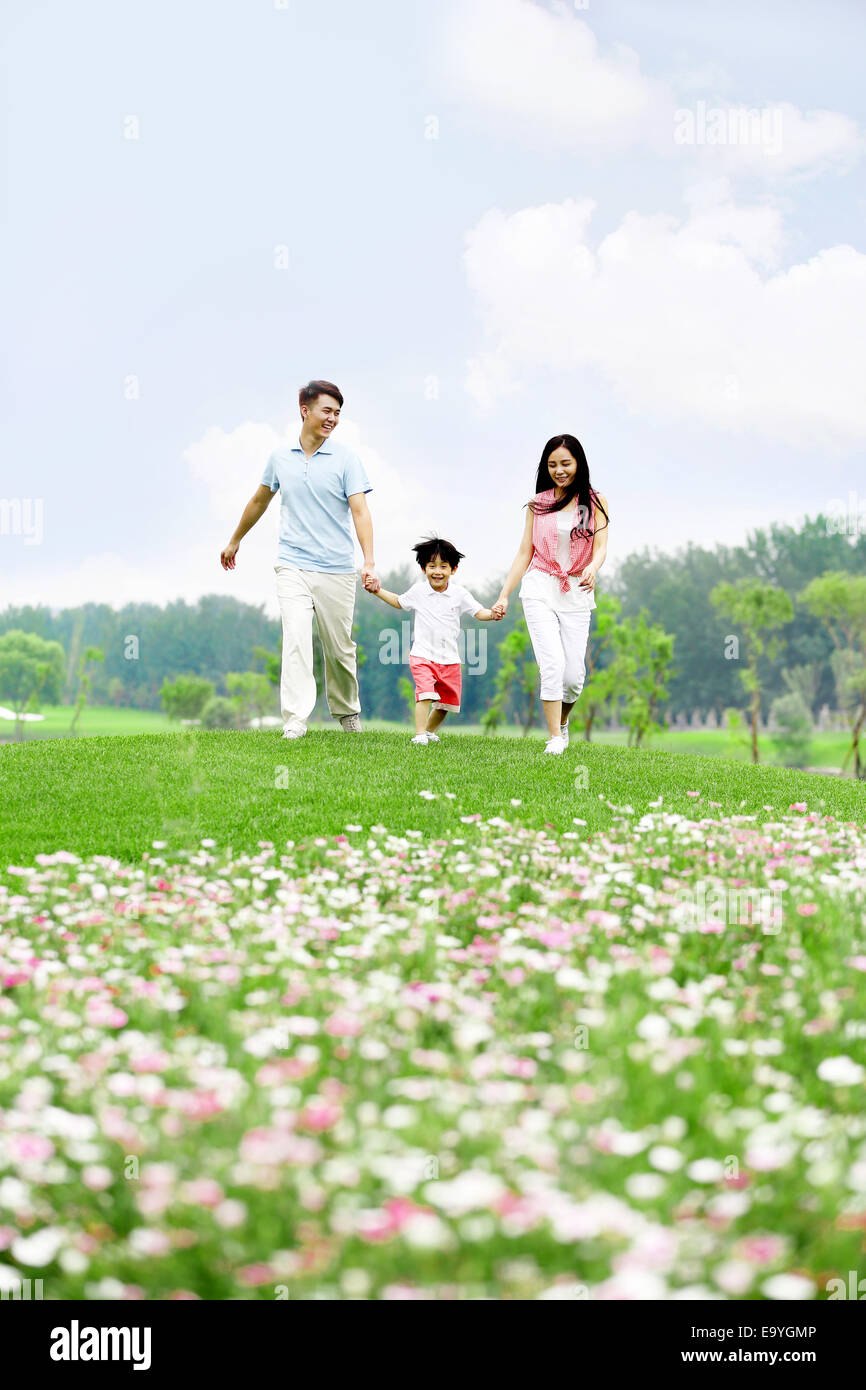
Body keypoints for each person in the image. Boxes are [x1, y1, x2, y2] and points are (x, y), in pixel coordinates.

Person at [220, 380, 377, 739]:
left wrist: (368, 561)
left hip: (336, 568)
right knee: (295, 637)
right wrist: (235, 540)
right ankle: (295, 719)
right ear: (305, 410)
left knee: (339, 649)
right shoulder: (280, 457)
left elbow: (360, 511)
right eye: (327, 410)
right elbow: (259, 500)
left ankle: (347, 711)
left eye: (338, 413)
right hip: (292, 564)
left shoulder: (346, 459)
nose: (333, 419)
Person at [493, 435, 609, 755]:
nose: (559, 471)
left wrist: (593, 568)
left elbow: (600, 548)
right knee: (553, 664)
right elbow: (523, 553)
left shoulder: (592, 503)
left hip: (576, 589)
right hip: (540, 584)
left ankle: (562, 722)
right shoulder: (539, 504)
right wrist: (504, 595)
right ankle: (554, 739)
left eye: (565, 464)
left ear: (578, 464)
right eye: (552, 465)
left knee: (573, 677)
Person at [365, 536, 502, 744]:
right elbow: (398, 602)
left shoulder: (460, 594)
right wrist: (377, 591)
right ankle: (420, 735)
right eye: (432, 566)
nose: (437, 571)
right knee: (426, 693)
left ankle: (429, 731)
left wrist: (492, 614)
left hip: (449, 659)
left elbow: (478, 612)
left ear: (453, 569)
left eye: (443, 566)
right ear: (424, 569)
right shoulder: (419, 591)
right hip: (422, 655)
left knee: (446, 704)